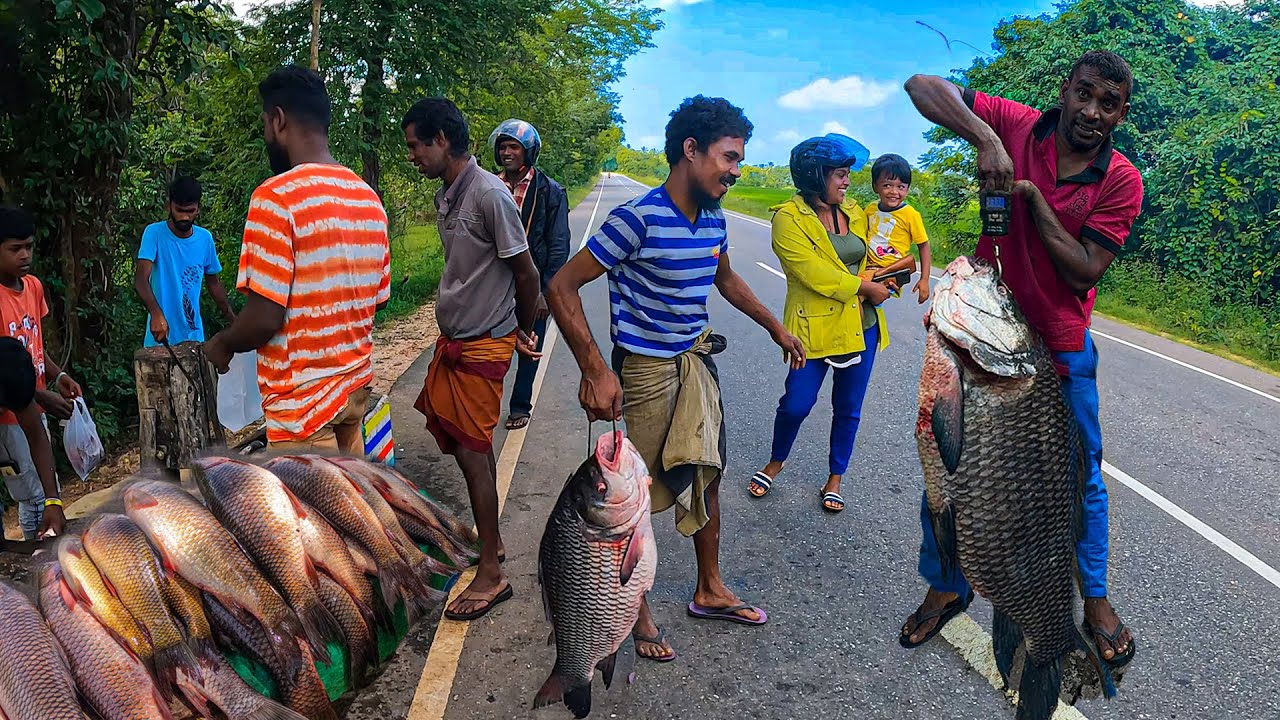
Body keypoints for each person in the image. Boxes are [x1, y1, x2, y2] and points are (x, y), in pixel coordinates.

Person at [900, 50, 1143, 668]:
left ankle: (1093, 597)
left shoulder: (1120, 179)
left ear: (1120, 114)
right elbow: (921, 81)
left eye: (1107, 104)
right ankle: (948, 584)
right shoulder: (1016, 122)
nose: (1091, 112)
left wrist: (1033, 201)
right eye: (1084, 94)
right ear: (1064, 90)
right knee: (948, 464)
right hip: (985, 332)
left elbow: (1086, 267)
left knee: (1081, 479)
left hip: (1059, 346)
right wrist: (986, 139)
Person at [547, 95, 806, 662]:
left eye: (740, 160)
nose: (736, 171)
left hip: (695, 365)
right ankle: (632, 614)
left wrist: (775, 328)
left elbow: (726, 278)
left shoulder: (712, 217)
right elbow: (561, 286)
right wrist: (595, 369)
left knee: (707, 475)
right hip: (641, 373)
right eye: (729, 158)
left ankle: (709, 588)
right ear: (690, 150)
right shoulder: (635, 219)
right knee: (628, 497)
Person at [400, 98, 542, 622]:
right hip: (455, 342)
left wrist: (521, 330)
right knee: (463, 449)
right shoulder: (449, 193)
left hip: (483, 343)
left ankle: (492, 574)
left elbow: (526, 273)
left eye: (416, 144)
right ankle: (492, 543)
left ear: (441, 140)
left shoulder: (489, 195)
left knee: (476, 451)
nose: (412, 155)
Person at [203, 65, 390, 455]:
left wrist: (223, 343)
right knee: (353, 508)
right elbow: (379, 299)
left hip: (302, 408)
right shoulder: (367, 198)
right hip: (353, 388)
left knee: (310, 516)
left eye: (265, 124)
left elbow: (264, 319)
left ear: (279, 120)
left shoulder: (276, 197)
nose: (266, 134)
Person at [745, 134, 894, 513]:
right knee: (796, 404)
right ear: (815, 177)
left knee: (849, 407)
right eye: (840, 175)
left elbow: (864, 258)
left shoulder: (855, 212)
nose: (846, 182)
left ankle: (835, 478)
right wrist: (864, 287)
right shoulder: (787, 219)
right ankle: (776, 461)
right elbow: (813, 273)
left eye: (847, 174)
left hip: (862, 326)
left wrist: (885, 275)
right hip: (810, 331)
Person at [487, 118, 571, 430]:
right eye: (503, 147)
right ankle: (486, 409)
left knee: (529, 347)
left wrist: (545, 292)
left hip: (531, 285)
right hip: (495, 285)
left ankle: (520, 406)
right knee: (492, 345)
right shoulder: (489, 186)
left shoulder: (550, 192)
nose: (507, 153)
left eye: (514, 147)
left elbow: (559, 245)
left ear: (528, 152)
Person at [0, 208, 77, 541]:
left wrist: (57, 377)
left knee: (41, 488)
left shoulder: (32, 287)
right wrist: (37, 393)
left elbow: (35, 347)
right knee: (29, 493)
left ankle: (40, 548)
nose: (25, 255)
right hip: (11, 412)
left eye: (29, 247)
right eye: (15, 248)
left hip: (24, 400)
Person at [134, 175, 235, 348]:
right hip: (160, 340)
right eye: (179, 210)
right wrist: (156, 313)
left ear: (198, 209)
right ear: (169, 206)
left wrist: (233, 320)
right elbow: (141, 279)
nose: (184, 217)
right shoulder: (154, 233)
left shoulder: (205, 239)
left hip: (194, 339)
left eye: (189, 211)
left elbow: (214, 284)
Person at [863, 154, 933, 304]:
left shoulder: (910, 215)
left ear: (907, 189)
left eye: (900, 187)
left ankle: (854, 328)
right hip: (867, 265)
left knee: (857, 296)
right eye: (887, 185)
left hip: (889, 270)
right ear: (875, 186)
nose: (894, 192)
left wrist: (924, 280)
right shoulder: (870, 209)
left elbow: (924, 246)